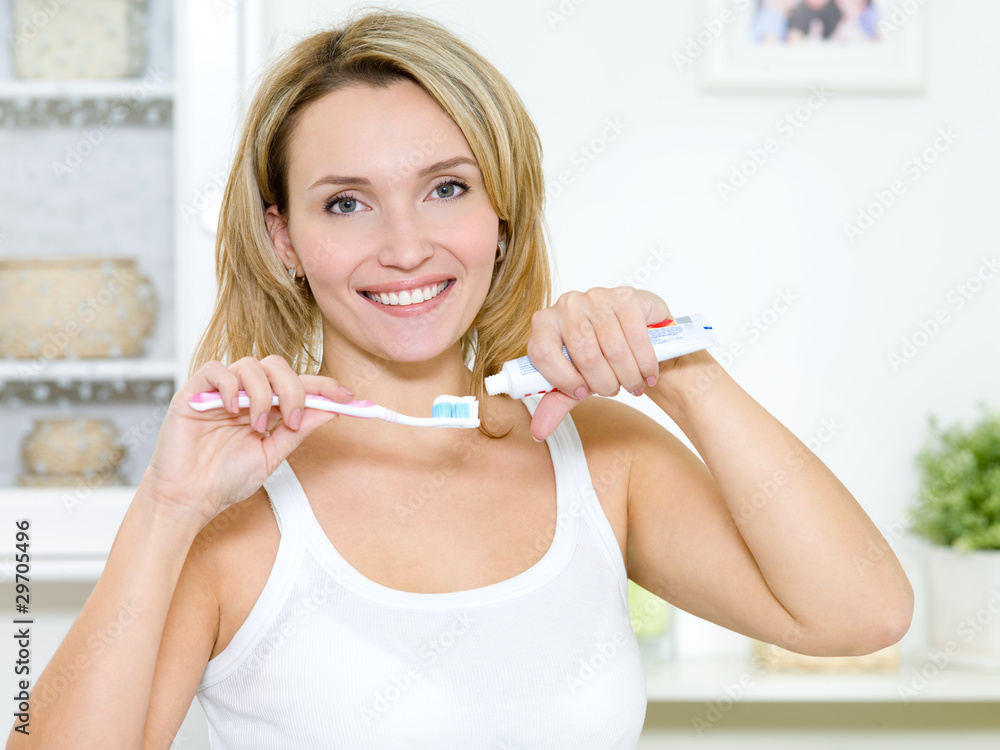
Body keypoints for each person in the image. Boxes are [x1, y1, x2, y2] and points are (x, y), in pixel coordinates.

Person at [7, 10, 913, 750]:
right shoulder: (231, 515)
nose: (406, 247)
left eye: (446, 188)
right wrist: (167, 508)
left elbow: (861, 615)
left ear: (502, 215)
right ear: (284, 239)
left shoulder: (600, 459)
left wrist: (680, 370)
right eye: (346, 203)